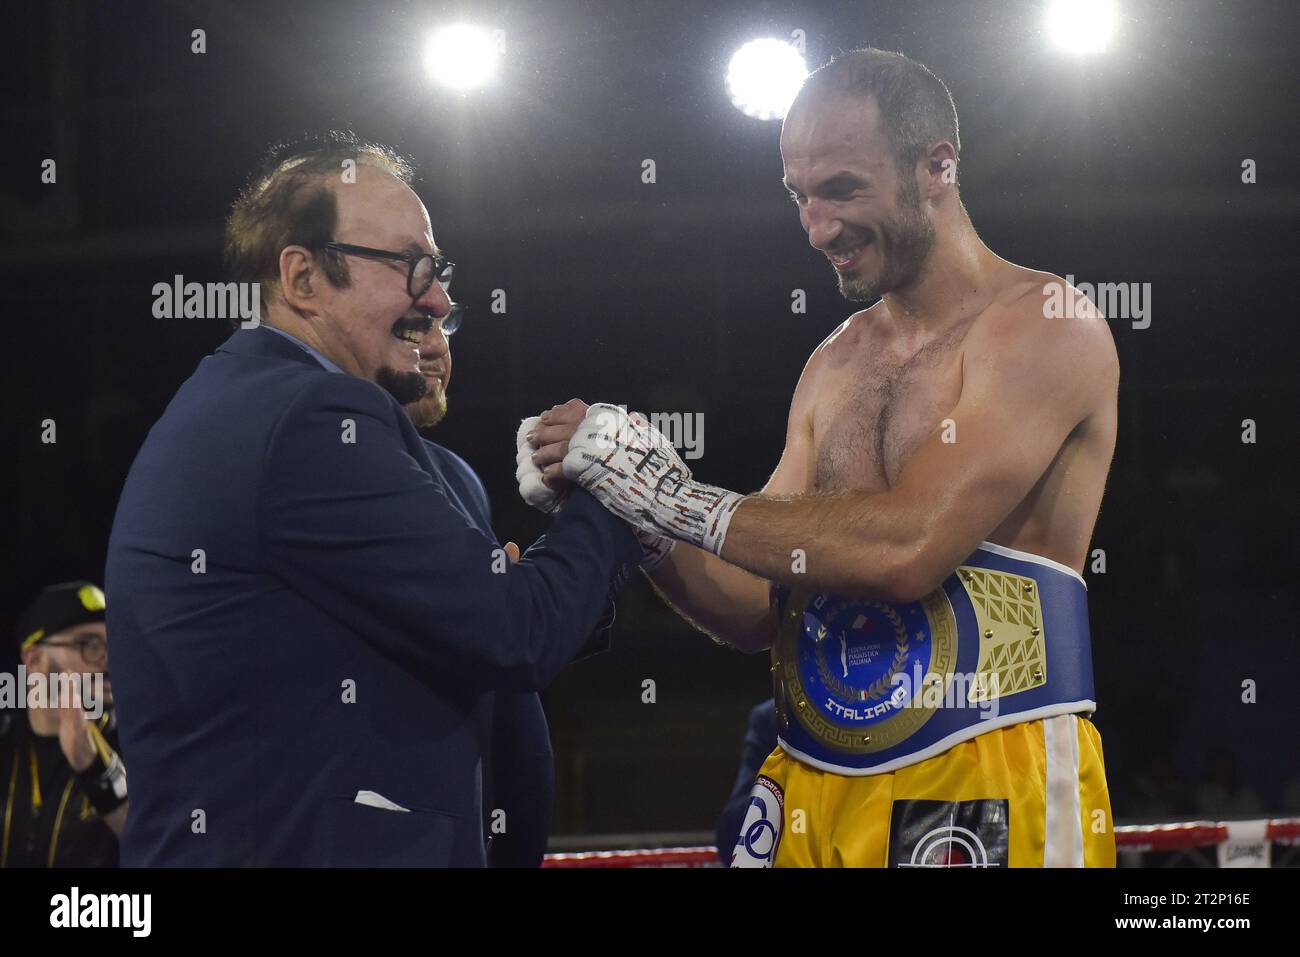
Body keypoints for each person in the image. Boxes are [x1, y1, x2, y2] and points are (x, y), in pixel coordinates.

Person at [526, 49, 1119, 867]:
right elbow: (753, 604)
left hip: (982, 767)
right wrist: (636, 511)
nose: (817, 227)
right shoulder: (833, 363)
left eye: (842, 188)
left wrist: (675, 497)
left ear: (937, 166)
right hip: (809, 779)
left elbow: (909, 547)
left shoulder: (1045, 323)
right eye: (799, 196)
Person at [105, 135, 644, 866]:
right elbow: (515, 630)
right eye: (411, 265)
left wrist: (534, 582)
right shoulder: (306, 417)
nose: (441, 298)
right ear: (301, 277)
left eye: (440, 268)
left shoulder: (263, 408)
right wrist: (610, 476)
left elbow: (462, 634)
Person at [402, 302, 556, 868]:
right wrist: (603, 512)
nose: (439, 346)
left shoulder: (455, 475)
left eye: (444, 325)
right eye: (415, 325)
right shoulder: (334, 467)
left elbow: (490, 640)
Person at [2, 581, 125, 867]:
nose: (108, 658)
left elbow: (171, 849)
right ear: (34, 660)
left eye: (114, 643)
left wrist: (96, 770)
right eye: (90, 644)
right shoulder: (7, 742)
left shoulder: (141, 745)